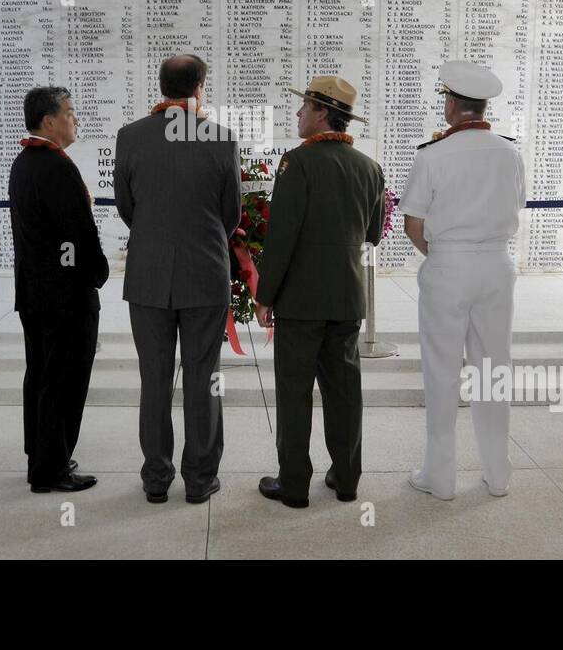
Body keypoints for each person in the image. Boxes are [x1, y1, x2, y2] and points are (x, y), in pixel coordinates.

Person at [114, 55, 240, 505]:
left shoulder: (130, 137)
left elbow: (127, 208)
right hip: (205, 273)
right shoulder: (221, 139)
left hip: (148, 276)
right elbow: (232, 216)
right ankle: (201, 479)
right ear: (200, 87)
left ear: (162, 86)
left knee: (154, 378)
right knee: (205, 377)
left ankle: (155, 478)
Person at [254, 76, 385, 508]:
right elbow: (372, 234)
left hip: (301, 301)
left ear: (323, 113)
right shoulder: (369, 167)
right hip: (347, 298)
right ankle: (346, 479)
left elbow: (282, 239)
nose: (297, 114)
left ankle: (293, 484)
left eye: (304, 107)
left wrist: (265, 294)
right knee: (345, 392)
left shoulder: (298, 163)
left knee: (294, 393)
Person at [400, 61, 526, 500]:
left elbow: (413, 223)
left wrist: (444, 258)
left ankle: (441, 476)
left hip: (449, 267)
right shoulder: (510, 152)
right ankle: (498, 473)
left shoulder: (432, 154)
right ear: (482, 106)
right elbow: (518, 205)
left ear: (452, 106)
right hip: (496, 265)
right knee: (494, 368)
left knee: (442, 371)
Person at [9, 86, 108, 494]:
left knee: (42, 375)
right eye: (69, 112)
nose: (75, 119)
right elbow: (76, 235)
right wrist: (97, 273)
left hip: (35, 293)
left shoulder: (24, 162)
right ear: (48, 121)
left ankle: (42, 455)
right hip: (64, 297)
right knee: (63, 381)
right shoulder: (55, 167)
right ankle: (50, 469)